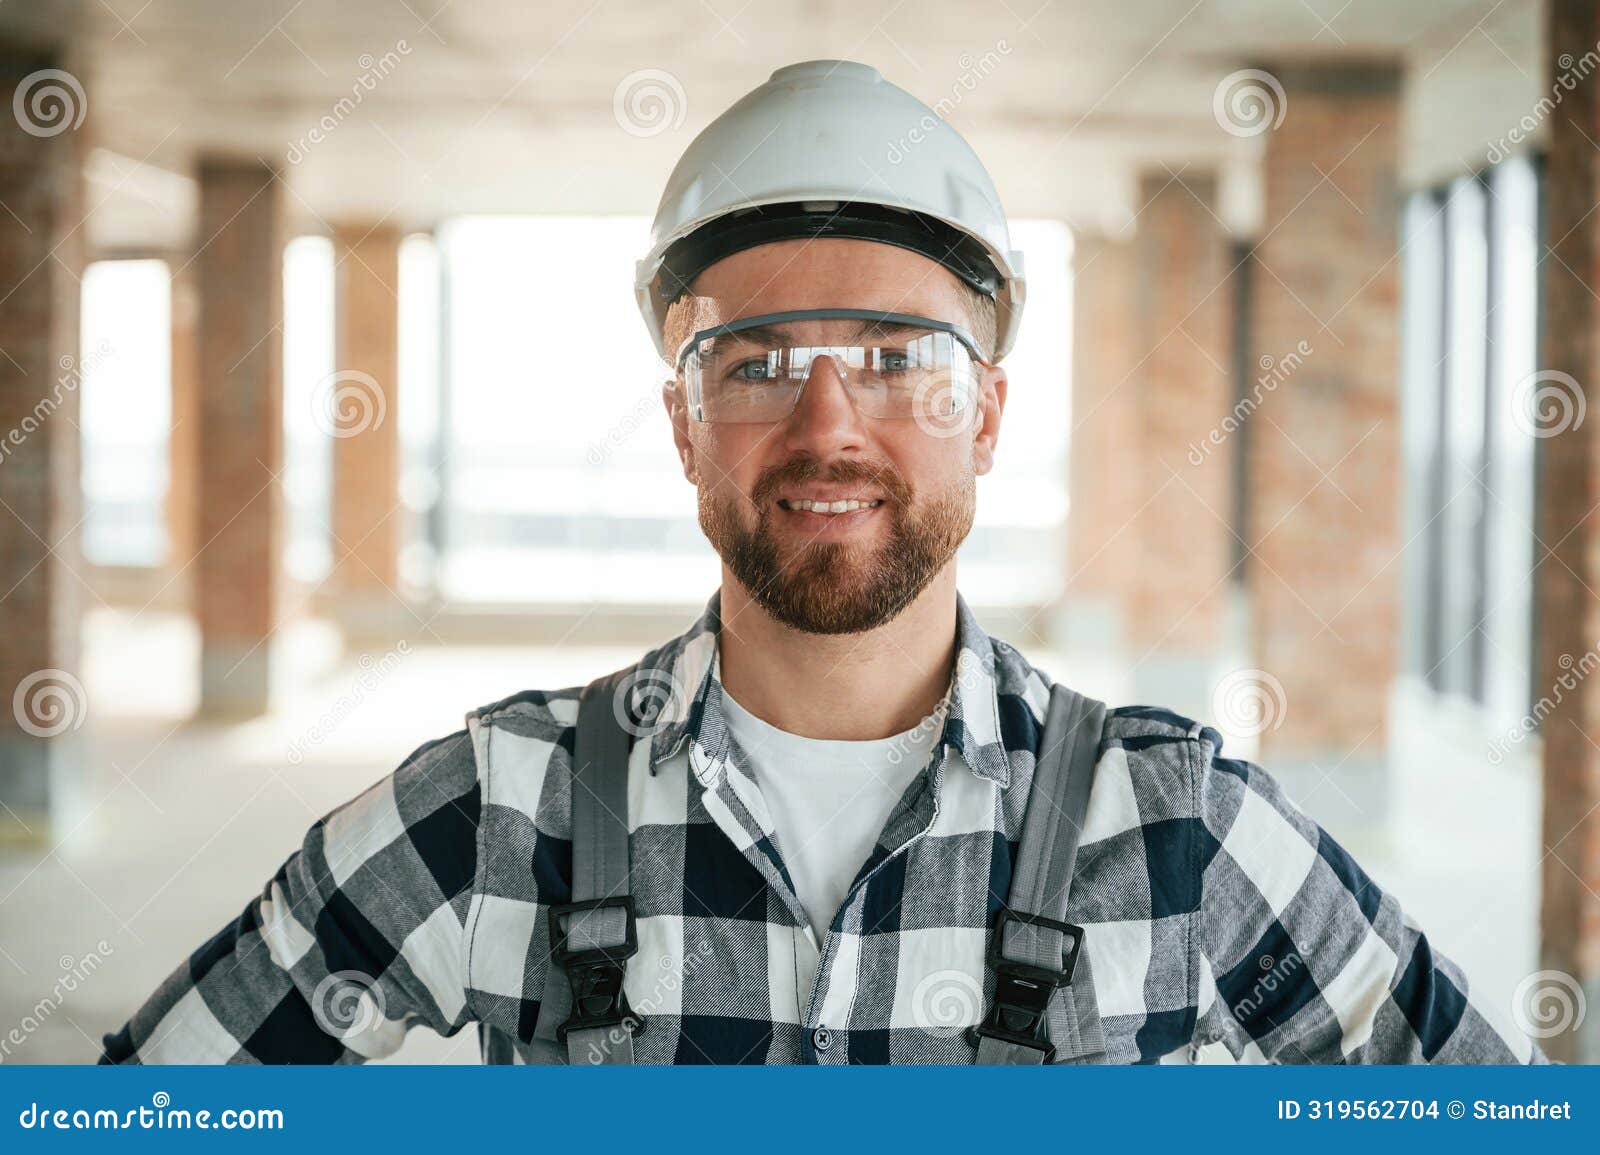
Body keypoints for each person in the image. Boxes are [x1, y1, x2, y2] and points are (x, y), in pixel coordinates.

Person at [102, 59, 1543, 1066]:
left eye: (897, 358)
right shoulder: (497, 818)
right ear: (680, 426)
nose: (827, 423)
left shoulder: (1174, 833)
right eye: (758, 362)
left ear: (985, 413)